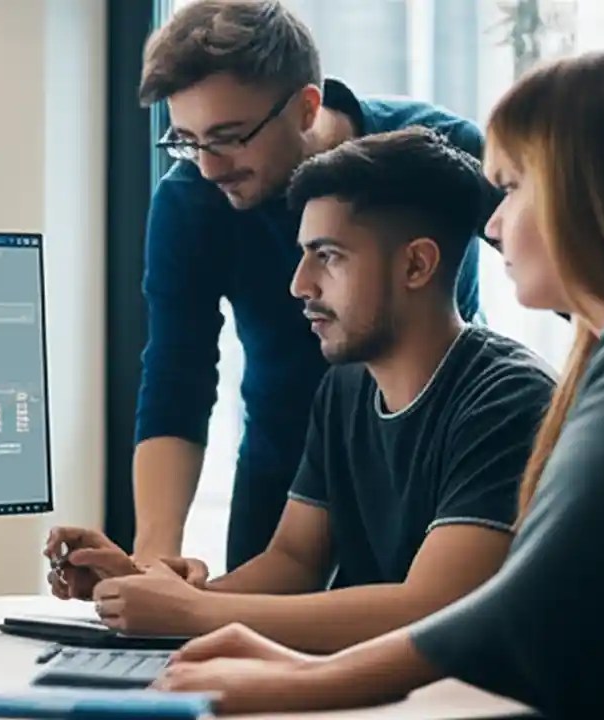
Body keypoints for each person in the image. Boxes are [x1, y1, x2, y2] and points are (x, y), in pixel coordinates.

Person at [152, 47, 604, 719]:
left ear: (590, 193)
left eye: (515, 186)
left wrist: (296, 675)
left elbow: (502, 612)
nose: (493, 223)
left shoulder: (531, 391)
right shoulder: (346, 391)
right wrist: (165, 597)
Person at [47, 128, 555, 653]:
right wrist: (146, 594)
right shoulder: (345, 388)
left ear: (416, 265)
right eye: (303, 255)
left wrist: (195, 611)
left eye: (327, 256)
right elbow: (294, 561)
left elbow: (430, 607)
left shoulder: (509, 401)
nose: (300, 285)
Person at [129, 0, 490, 573]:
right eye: (187, 140)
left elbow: (569, 266)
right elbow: (177, 376)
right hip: (283, 472)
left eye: (228, 137)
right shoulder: (190, 199)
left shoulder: (438, 150)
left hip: (437, 459)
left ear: (306, 107)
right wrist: (153, 560)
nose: (209, 167)